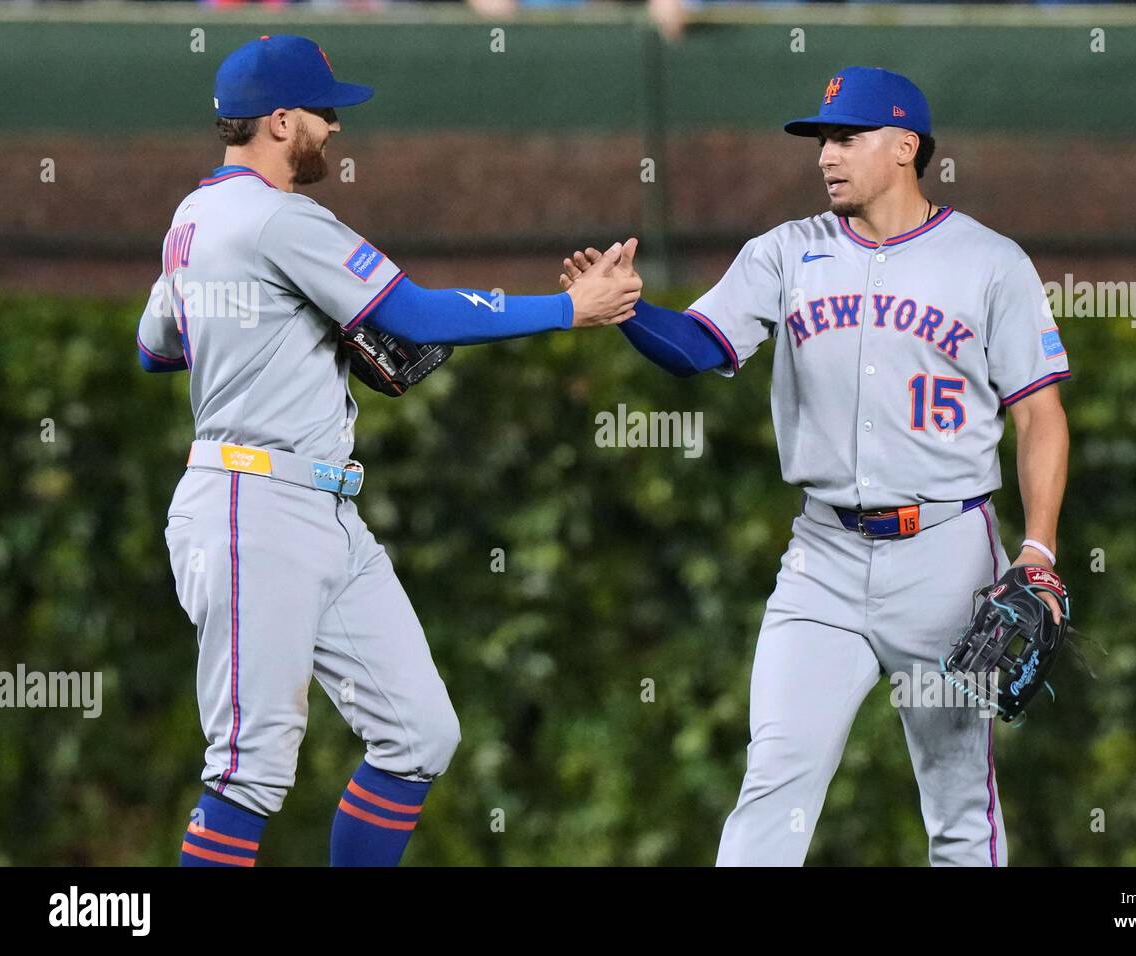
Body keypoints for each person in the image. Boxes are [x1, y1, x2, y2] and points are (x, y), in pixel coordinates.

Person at [137, 34, 640, 866]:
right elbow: (418, 313)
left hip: (321, 510)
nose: (335, 127)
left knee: (419, 734)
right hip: (250, 507)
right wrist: (567, 308)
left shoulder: (191, 219)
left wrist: (278, 327)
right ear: (280, 119)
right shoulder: (278, 217)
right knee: (248, 770)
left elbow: (155, 349)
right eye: (324, 111)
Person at [562, 66, 1069, 866]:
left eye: (846, 137)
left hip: (948, 556)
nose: (826, 155)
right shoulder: (786, 252)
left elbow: (1040, 411)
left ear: (905, 147)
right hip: (823, 559)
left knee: (959, 803)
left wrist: (1037, 552)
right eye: (821, 139)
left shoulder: (989, 262)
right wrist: (628, 311)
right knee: (775, 780)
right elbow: (699, 347)